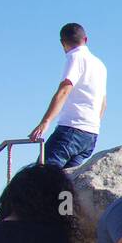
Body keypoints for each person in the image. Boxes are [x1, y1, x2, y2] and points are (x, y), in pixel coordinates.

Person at [30, 23, 108, 169]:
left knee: (42, 176)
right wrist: (93, 124)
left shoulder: (75, 57)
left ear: (62, 43)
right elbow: (103, 103)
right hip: (91, 134)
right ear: (86, 39)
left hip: (71, 129)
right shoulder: (100, 65)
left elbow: (65, 90)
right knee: (66, 182)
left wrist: (45, 121)